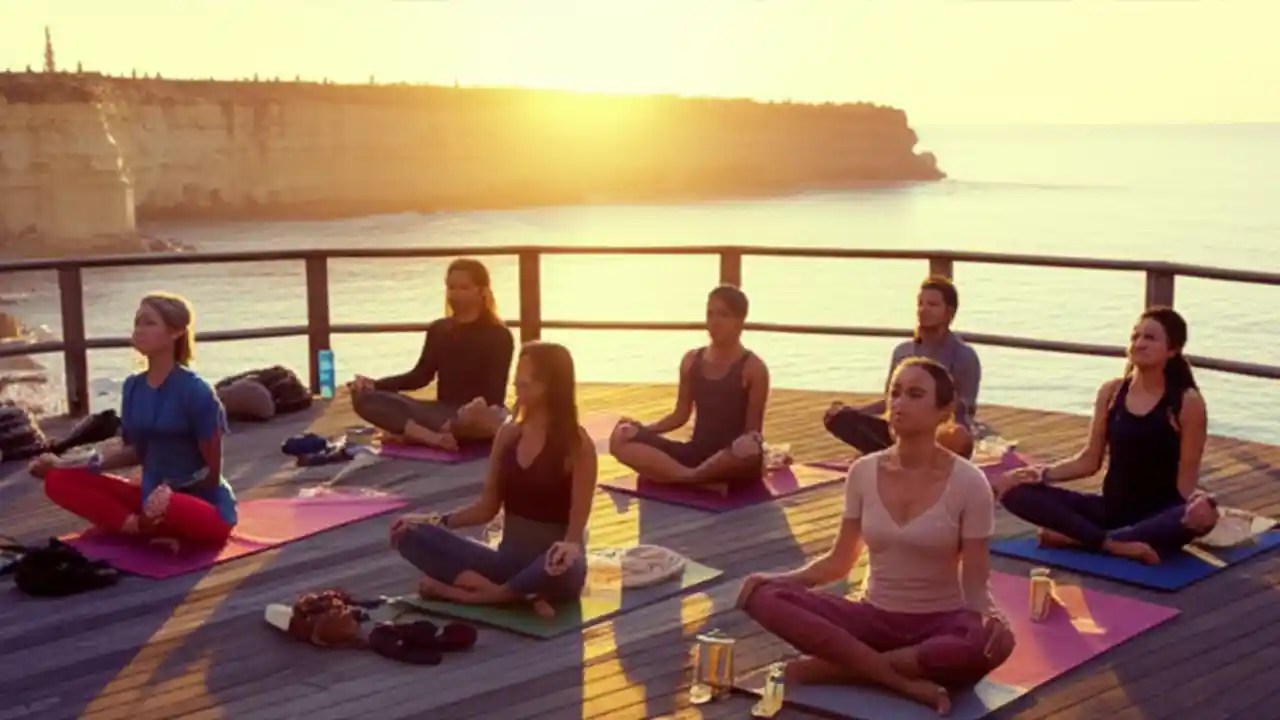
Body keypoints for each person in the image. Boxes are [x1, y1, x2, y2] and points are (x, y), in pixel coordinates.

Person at [738, 357, 1014, 715]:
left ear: (943, 411)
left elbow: (975, 582)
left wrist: (990, 620)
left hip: (938, 623)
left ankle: (836, 668)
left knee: (989, 643)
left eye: (915, 395)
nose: (899, 403)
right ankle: (901, 681)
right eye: (895, 393)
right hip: (871, 618)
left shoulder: (969, 482)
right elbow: (840, 561)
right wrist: (775, 579)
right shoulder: (863, 472)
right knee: (763, 596)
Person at [994, 307, 1219, 564]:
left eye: (1150, 338)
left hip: (1160, 515)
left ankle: (1077, 538)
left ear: (1172, 349)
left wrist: (1202, 501)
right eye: (1135, 337)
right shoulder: (1111, 392)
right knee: (1015, 492)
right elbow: (1089, 461)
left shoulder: (1186, 402)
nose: (1139, 343)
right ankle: (1114, 544)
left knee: (1203, 516)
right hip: (1110, 509)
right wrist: (1038, 474)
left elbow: (1186, 482)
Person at [388, 341, 596, 617]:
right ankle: (518, 595)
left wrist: (569, 549)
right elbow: (486, 508)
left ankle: (477, 596)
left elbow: (573, 535)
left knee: (566, 562)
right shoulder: (508, 436)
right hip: (507, 564)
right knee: (407, 534)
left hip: (551, 565)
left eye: (524, 380)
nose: (516, 385)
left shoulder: (577, 444)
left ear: (547, 386)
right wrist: (432, 521)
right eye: (516, 380)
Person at [28, 293, 237, 549]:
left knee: (168, 505)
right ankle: (138, 527)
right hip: (147, 499)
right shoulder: (133, 387)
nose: (139, 330)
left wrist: (170, 495)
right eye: (137, 323)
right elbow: (134, 451)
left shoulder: (197, 392)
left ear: (176, 332)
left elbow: (211, 473)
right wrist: (72, 464)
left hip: (199, 505)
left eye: (149, 323)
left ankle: (155, 524)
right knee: (58, 479)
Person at [607, 285, 770, 489]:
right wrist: (644, 430)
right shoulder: (692, 360)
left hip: (731, 457)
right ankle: (693, 478)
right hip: (697, 452)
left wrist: (739, 453)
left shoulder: (754, 369)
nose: (714, 322)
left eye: (723, 315)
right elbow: (680, 414)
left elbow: (753, 432)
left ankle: (681, 476)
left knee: (748, 446)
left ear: (740, 321)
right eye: (710, 314)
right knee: (621, 436)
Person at [349, 258, 515, 452]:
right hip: (439, 412)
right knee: (364, 398)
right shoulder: (440, 329)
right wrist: (375, 385)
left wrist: (470, 416)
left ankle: (419, 433)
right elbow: (420, 376)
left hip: (475, 415)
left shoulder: (498, 335)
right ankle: (435, 438)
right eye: (451, 288)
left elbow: (494, 396)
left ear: (482, 291)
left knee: (487, 421)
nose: (455, 294)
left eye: (464, 288)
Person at [825, 275, 980, 459]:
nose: (923, 310)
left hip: (937, 434)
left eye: (932, 305)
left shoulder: (964, 355)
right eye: (920, 304)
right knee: (836, 417)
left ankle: (893, 454)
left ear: (949, 313)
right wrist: (856, 411)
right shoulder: (903, 351)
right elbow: (889, 402)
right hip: (899, 429)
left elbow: (965, 409)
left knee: (958, 438)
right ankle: (894, 452)